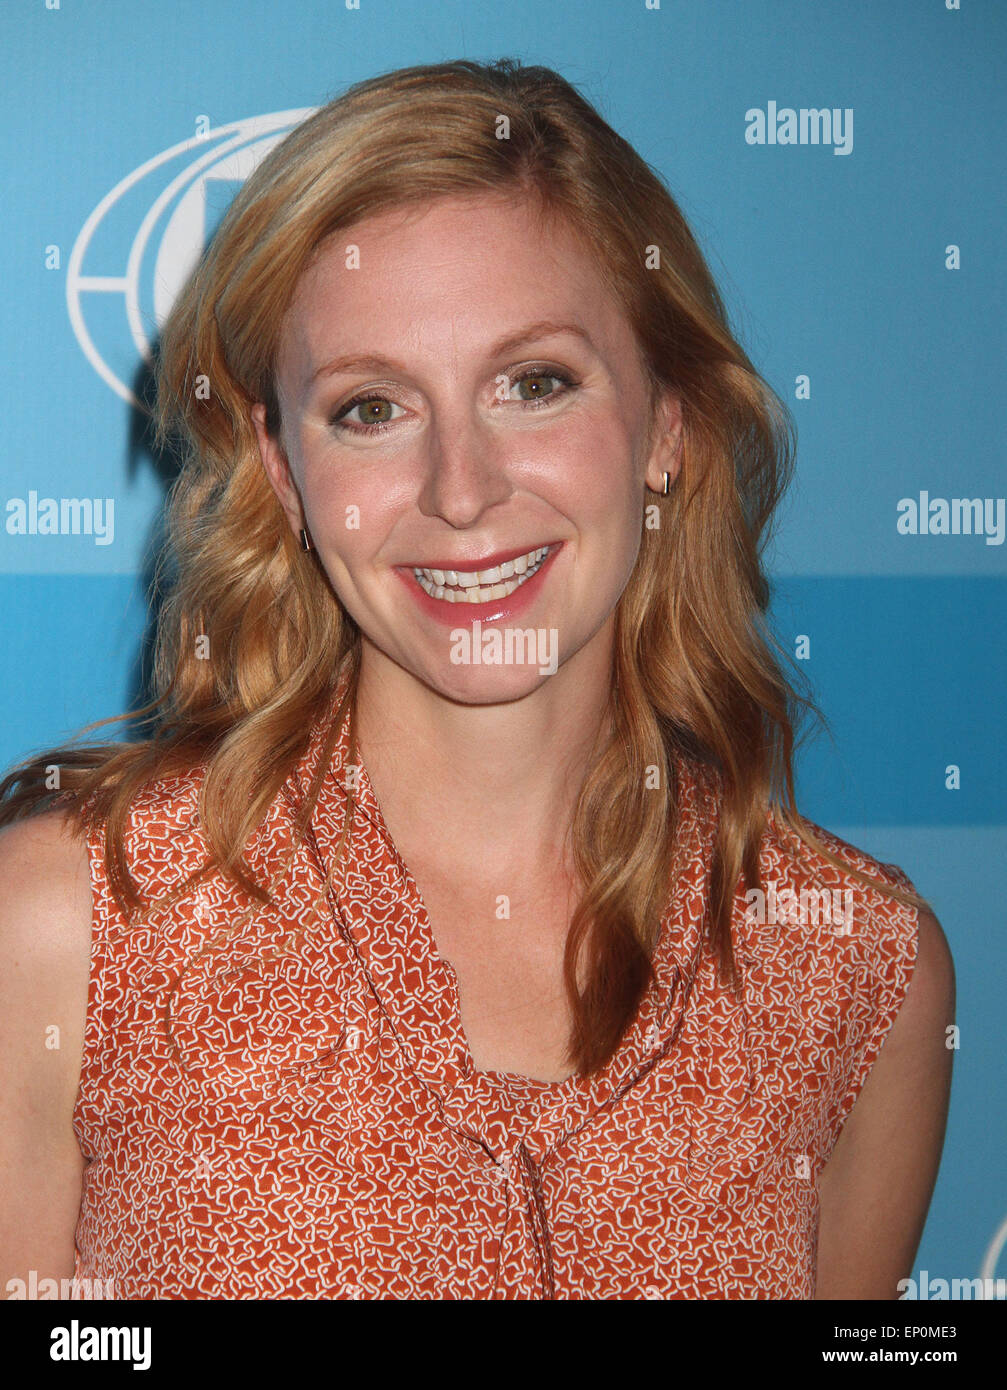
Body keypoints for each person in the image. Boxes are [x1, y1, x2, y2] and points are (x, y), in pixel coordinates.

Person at [0, 57, 954, 1301]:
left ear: (665, 426)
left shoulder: (859, 975)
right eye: (369, 407)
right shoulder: (69, 928)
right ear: (285, 478)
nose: (461, 490)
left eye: (534, 384)